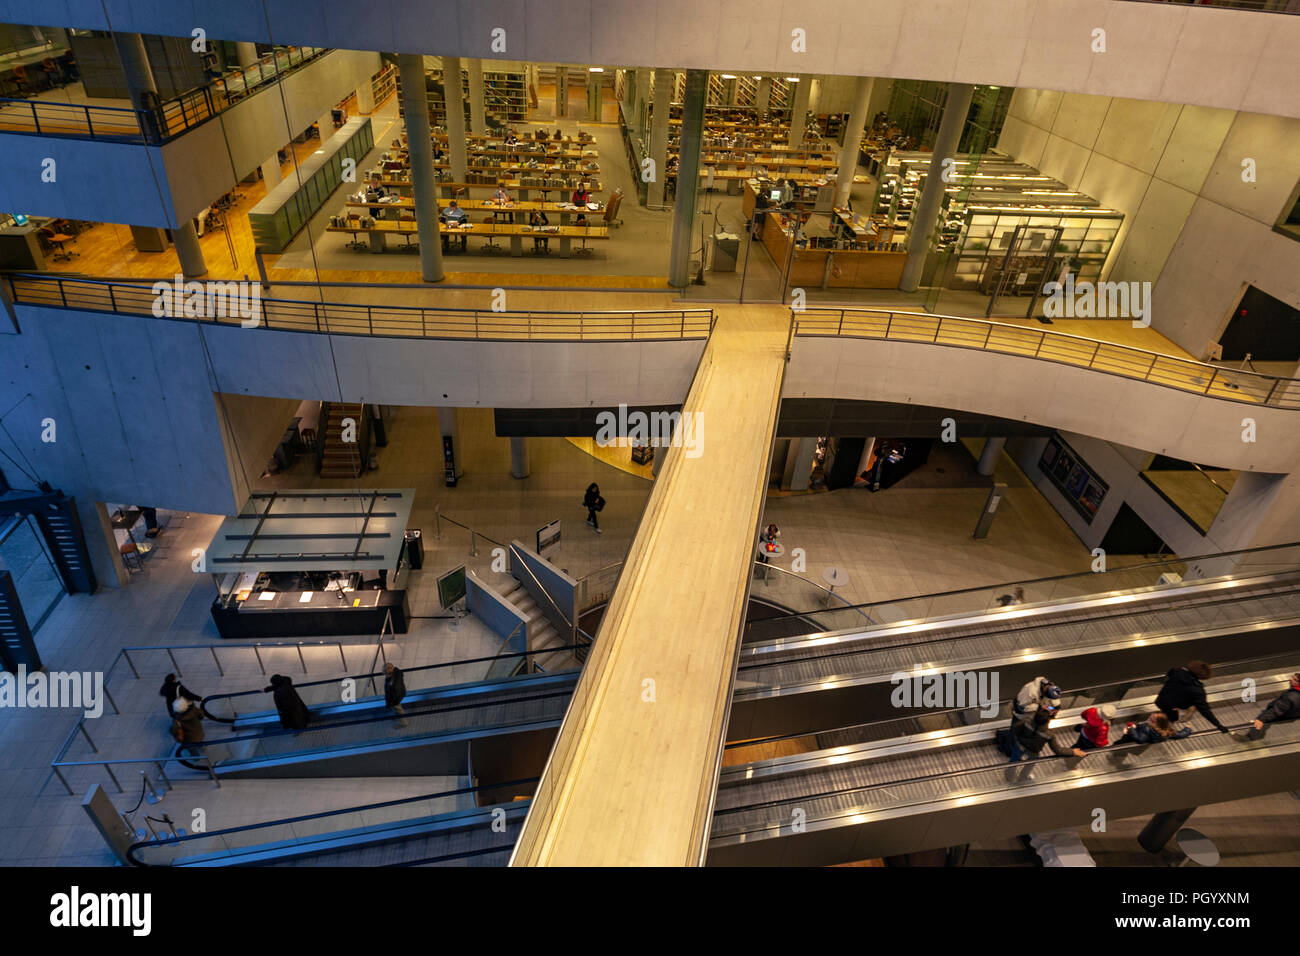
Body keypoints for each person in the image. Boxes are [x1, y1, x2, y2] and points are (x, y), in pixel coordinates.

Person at [1155, 660, 1230, 734]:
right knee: (1194, 706)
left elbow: (1169, 674)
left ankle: (1161, 725)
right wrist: (1218, 725)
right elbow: (1205, 710)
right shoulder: (1197, 690)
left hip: (1160, 701)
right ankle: (1166, 730)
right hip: (1174, 711)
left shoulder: (1176, 671)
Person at [1006, 705, 1086, 761]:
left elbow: (1014, 729)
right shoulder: (1049, 734)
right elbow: (1058, 750)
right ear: (1048, 720)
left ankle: (1009, 774)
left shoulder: (1026, 721)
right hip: (1033, 750)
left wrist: (1018, 738)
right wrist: (1072, 752)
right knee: (1031, 763)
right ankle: (1023, 777)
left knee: (1014, 759)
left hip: (1020, 744)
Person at [1120, 711, 1191, 744]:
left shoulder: (1147, 728)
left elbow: (1140, 739)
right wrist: (1187, 729)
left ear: (1155, 722)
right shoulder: (1166, 730)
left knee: (1118, 744)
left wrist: (1131, 729)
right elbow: (1179, 734)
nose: (1152, 714)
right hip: (1148, 741)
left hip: (1130, 740)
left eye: (1153, 716)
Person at [384, 662, 408, 727]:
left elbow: (395, 689)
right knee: (396, 709)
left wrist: (393, 700)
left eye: (386, 669)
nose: (385, 671)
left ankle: (403, 723)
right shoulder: (394, 674)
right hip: (396, 695)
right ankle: (398, 717)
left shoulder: (392, 680)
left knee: (398, 709)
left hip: (395, 697)